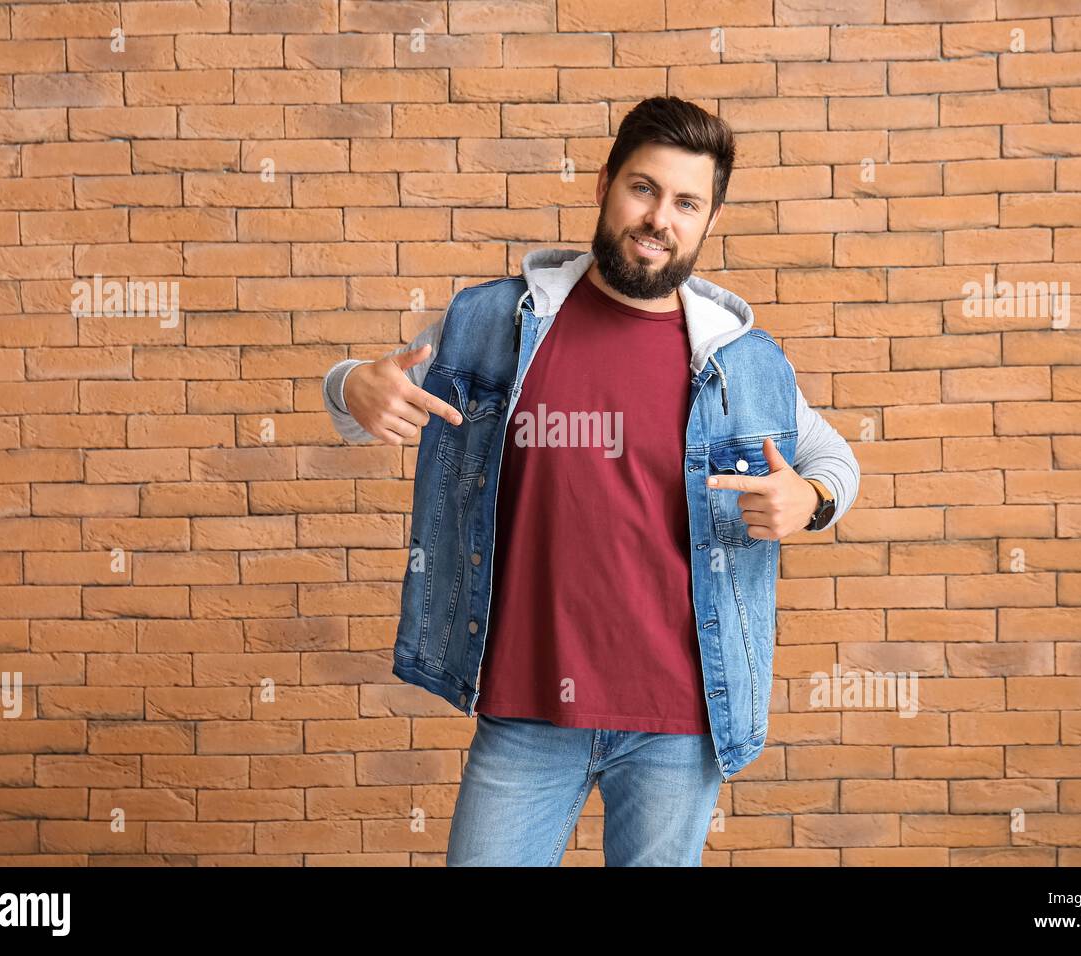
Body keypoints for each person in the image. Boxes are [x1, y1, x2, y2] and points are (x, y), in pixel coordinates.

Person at [322, 96, 861, 866]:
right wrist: (350, 387)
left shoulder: (739, 361)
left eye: (686, 202)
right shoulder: (497, 322)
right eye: (644, 189)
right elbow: (365, 394)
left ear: (709, 219)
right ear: (606, 182)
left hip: (678, 722)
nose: (658, 219)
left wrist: (811, 499)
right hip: (527, 710)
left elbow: (835, 462)